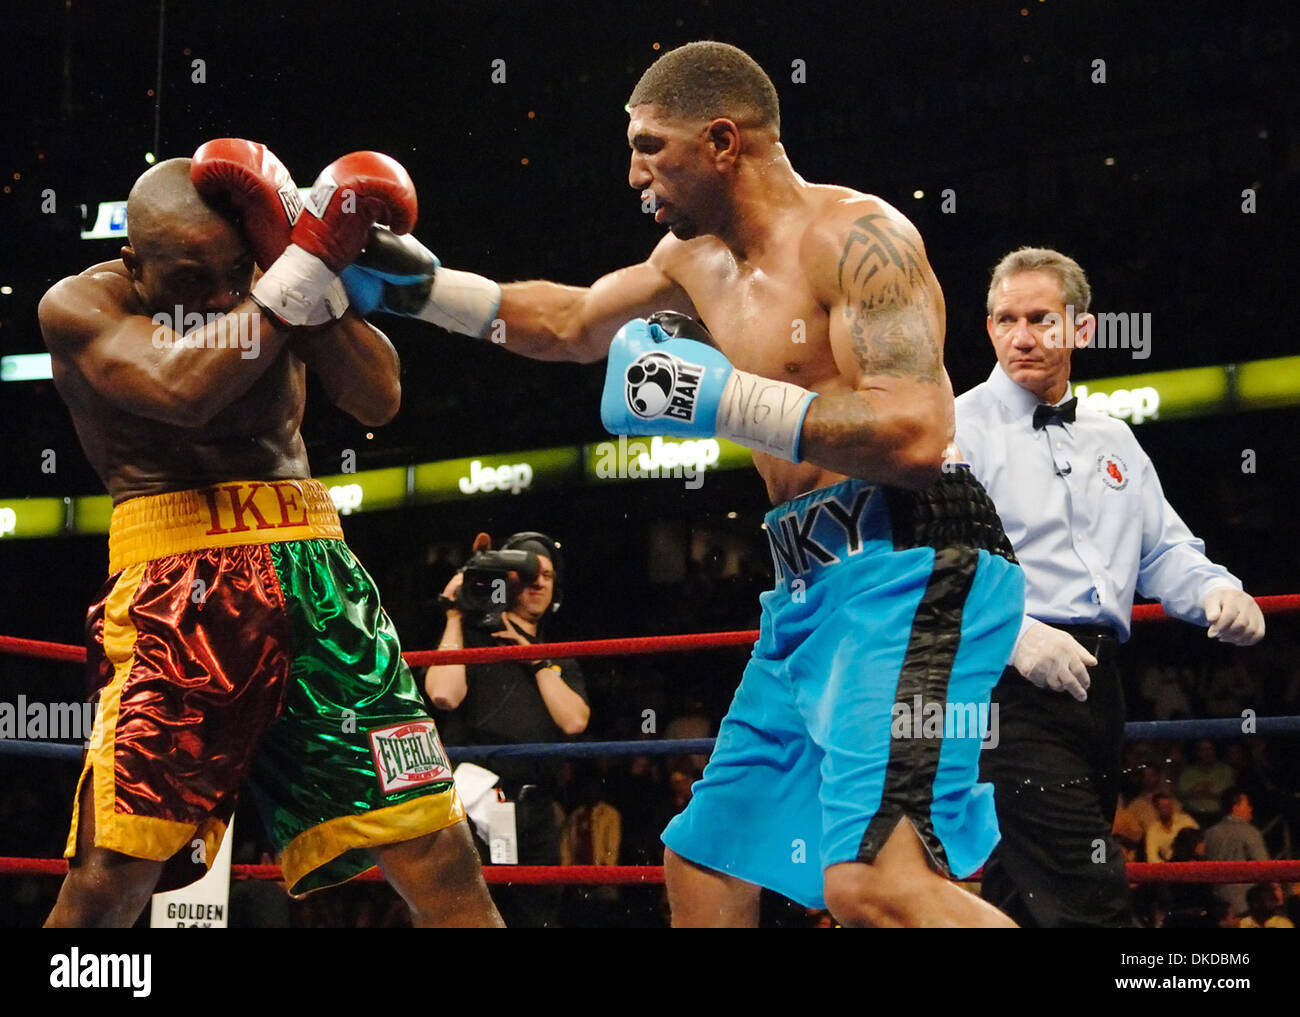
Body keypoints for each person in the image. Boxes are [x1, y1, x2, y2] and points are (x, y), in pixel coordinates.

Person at [346, 41, 1024, 927]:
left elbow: (918, 434)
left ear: (722, 140)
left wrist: (723, 398)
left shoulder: (858, 239)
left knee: (876, 887)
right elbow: (571, 321)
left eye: (649, 146)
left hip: (911, 559)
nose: (632, 172)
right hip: (807, 586)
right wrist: (419, 289)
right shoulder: (691, 260)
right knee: (702, 862)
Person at [38, 141, 501, 927]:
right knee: (112, 873)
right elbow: (179, 390)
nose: (222, 297)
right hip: (177, 587)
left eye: (232, 272)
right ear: (133, 262)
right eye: (191, 281)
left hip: (317, 573)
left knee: (436, 846)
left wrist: (299, 265)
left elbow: (377, 398)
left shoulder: (275, 274)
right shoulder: (79, 306)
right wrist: (301, 266)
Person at [953, 246, 1266, 927]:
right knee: (1092, 898)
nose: (1023, 335)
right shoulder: (957, 428)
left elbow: (1164, 549)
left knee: (1026, 897)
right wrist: (1013, 631)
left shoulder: (1114, 438)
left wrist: (1216, 589)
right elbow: (929, 560)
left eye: (1041, 317)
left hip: (1101, 689)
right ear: (988, 329)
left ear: (1083, 330)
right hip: (1004, 688)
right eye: (1005, 319)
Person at [426, 531, 588, 926]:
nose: (538, 582)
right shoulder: (473, 640)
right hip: (473, 809)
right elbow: (443, 695)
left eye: (547, 575)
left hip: (535, 813)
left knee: (535, 916)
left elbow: (574, 720)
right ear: (506, 581)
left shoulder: (556, 660)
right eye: (527, 573)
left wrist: (533, 661)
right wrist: (454, 615)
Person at [1204, 788, 1271, 917]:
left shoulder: (1210, 833)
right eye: (1247, 805)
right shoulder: (1250, 832)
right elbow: (1265, 867)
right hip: (1246, 903)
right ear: (1236, 807)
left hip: (1218, 902)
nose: (1251, 808)